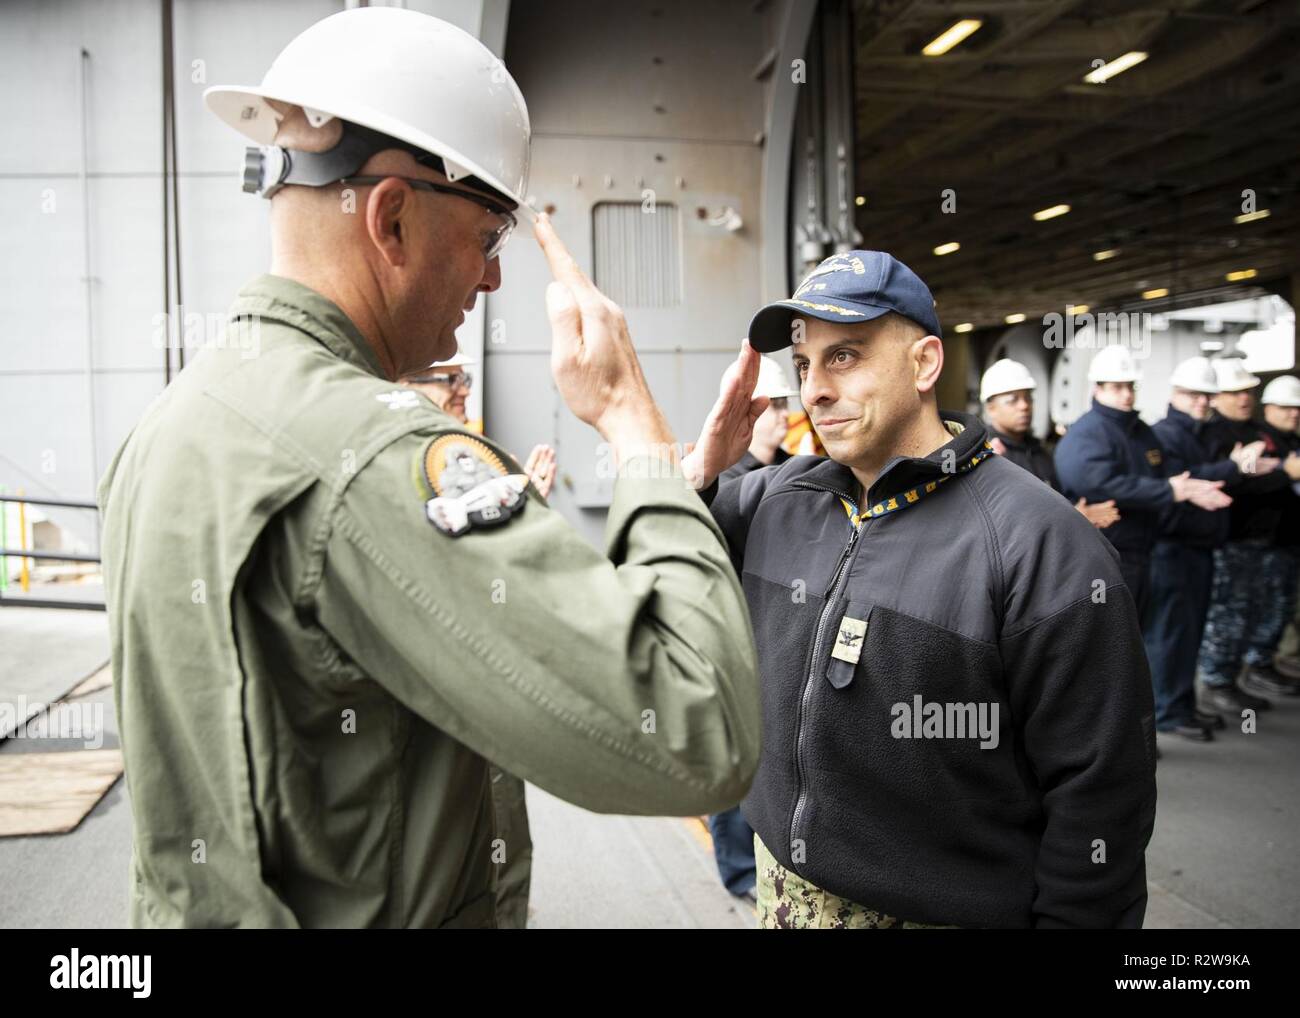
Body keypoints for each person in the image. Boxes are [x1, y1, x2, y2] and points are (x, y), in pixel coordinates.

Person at [97, 7, 761, 928]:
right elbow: (701, 729)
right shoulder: (377, 456)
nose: (491, 281)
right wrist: (632, 423)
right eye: (489, 240)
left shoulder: (173, 423)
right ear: (393, 217)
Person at [679, 250, 1157, 929]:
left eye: (844, 356)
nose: (813, 389)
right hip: (783, 899)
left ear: (925, 363)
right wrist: (702, 470)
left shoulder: (1041, 546)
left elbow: (1100, 796)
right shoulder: (776, 500)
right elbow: (654, 582)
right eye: (806, 364)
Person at [707, 354, 801, 903]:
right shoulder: (727, 484)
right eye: (773, 407)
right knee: (737, 759)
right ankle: (741, 871)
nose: (784, 415)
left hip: (776, 641)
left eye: (787, 404)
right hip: (737, 642)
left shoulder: (795, 470)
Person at [1145, 357, 1273, 741]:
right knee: (1170, 634)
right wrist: (1232, 468)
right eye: (1191, 395)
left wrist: (1236, 466)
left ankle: (1181, 704)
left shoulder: (1207, 432)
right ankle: (1166, 711)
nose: (1200, 402)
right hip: (1172, 547)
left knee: (1190, 632)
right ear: (1174, 395)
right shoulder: (1165, 435)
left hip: (1200, 546)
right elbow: (1186, 480)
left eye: (1206, 395)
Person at [1054, 345, 1230, 616]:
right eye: (1117, 387)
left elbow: (1166, 473)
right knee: (1107, 639)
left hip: (1142, 553)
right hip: (1104, 556)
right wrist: (1167, 491)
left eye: (1130, 386)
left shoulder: (1141, 431)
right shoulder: (1087, 433)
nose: (1126, 395)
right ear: (1097, 389)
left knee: (1136, 637)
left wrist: (1189, 487)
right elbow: (1097, 483)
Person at [1198, 360, 1300, 712]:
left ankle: (1253, 667)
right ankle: (1218, 679)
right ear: (1217, 396)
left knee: (1266, 608)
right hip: (1236, 539)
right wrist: (1284, 473)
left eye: (1248, 392)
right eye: (1235, 392)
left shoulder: (1258, 433)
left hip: (1272, 539)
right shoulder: (1214, 435)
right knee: (1230, 614)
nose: (1244, 398)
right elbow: (1234, 485)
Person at [979, 357, 1118, 528]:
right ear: (991, 408)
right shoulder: (987, 455)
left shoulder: (1040, 452)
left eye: (1028, 398)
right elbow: (1004, 522)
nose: (1024, 406)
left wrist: (1074, 511)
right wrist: (1072, 517)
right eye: (1012, 400)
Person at [1235, 374, 1300, 697]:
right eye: (1286, 408)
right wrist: (1283, 473)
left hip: (1284, 540)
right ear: (1269, 408)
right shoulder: (1259, 440)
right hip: (1256, 541)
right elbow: (1246, 483)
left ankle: (1263, 664)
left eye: (1297, 408)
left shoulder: (1291, 441)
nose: (1294, 414)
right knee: (1247, 611)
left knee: (1280, 607)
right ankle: (1247, 669)